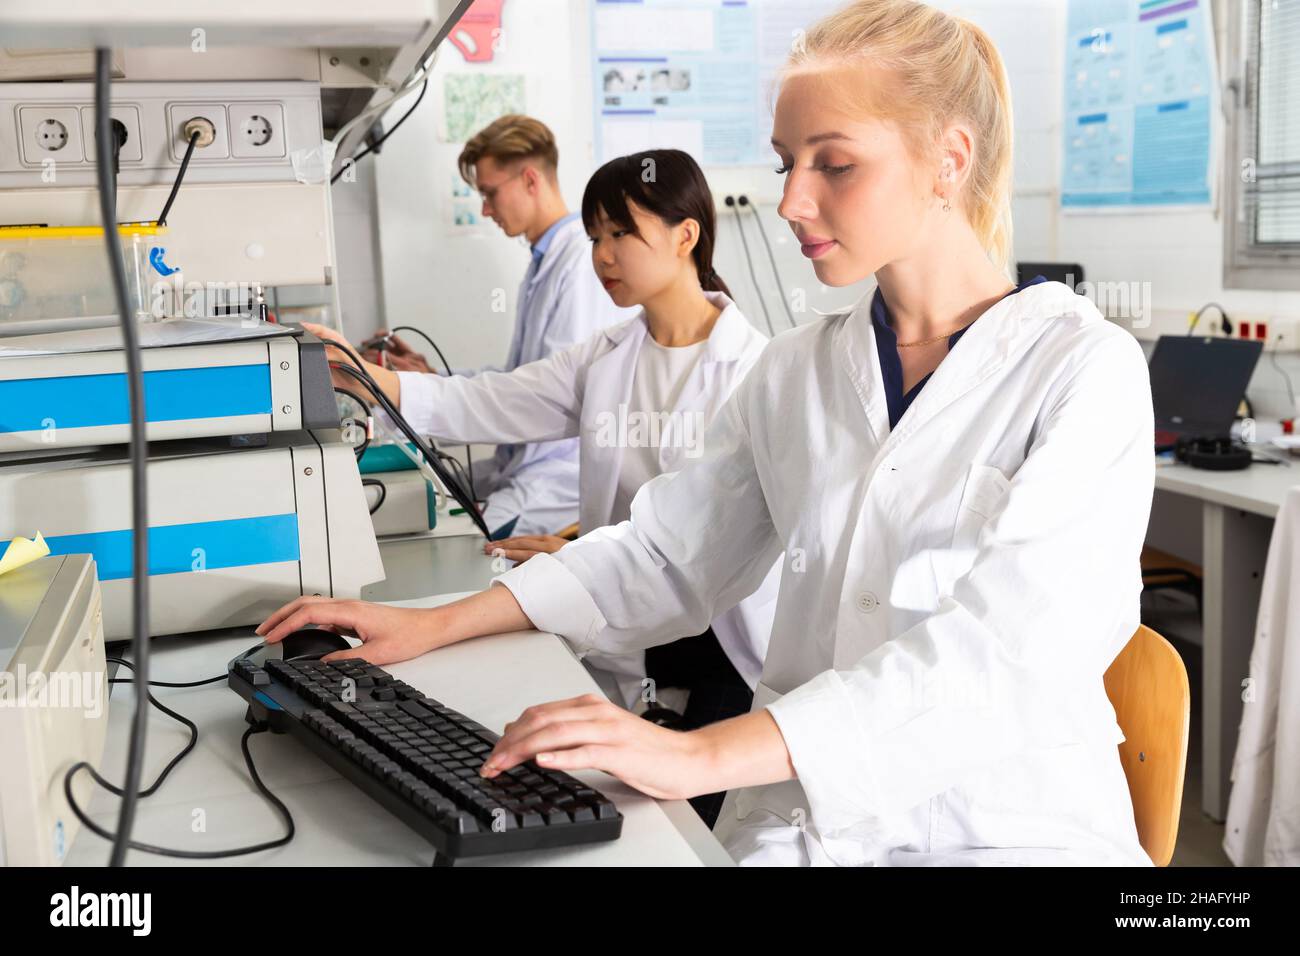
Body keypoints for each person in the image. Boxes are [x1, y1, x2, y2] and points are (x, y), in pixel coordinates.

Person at [261, 0, 1155, 866]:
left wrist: (701, 755)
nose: (793, 200)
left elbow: (1003, 654)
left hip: (1007, 824)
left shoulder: (1084, 370)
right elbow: (664, 554)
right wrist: (430, 625)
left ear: (948, 160)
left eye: (833, 165)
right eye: (785, 164)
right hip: (807, 824)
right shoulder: (799, 371)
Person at [304, 149, 780, 826]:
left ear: (685, 235)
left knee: (695, 828)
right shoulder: (607, 356)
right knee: (628, 816)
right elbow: (493, 401)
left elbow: (691, 530)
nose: (603, 255)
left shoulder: (755, 370)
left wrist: (575, 544)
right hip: (627, 627)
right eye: (595, 237)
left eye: (622, 233)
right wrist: (370, 379)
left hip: (722, 650)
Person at [310, 114, 634, 539]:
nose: (484, 208)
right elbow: (525, 382)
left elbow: (544, 401)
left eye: (489, 193)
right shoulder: (545, 261)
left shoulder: (578, 266)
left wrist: (387, 384)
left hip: (555, 482)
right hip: (524, 468)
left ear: (531, 180)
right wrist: (430, 377)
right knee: (435, 499)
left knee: (471, 547)